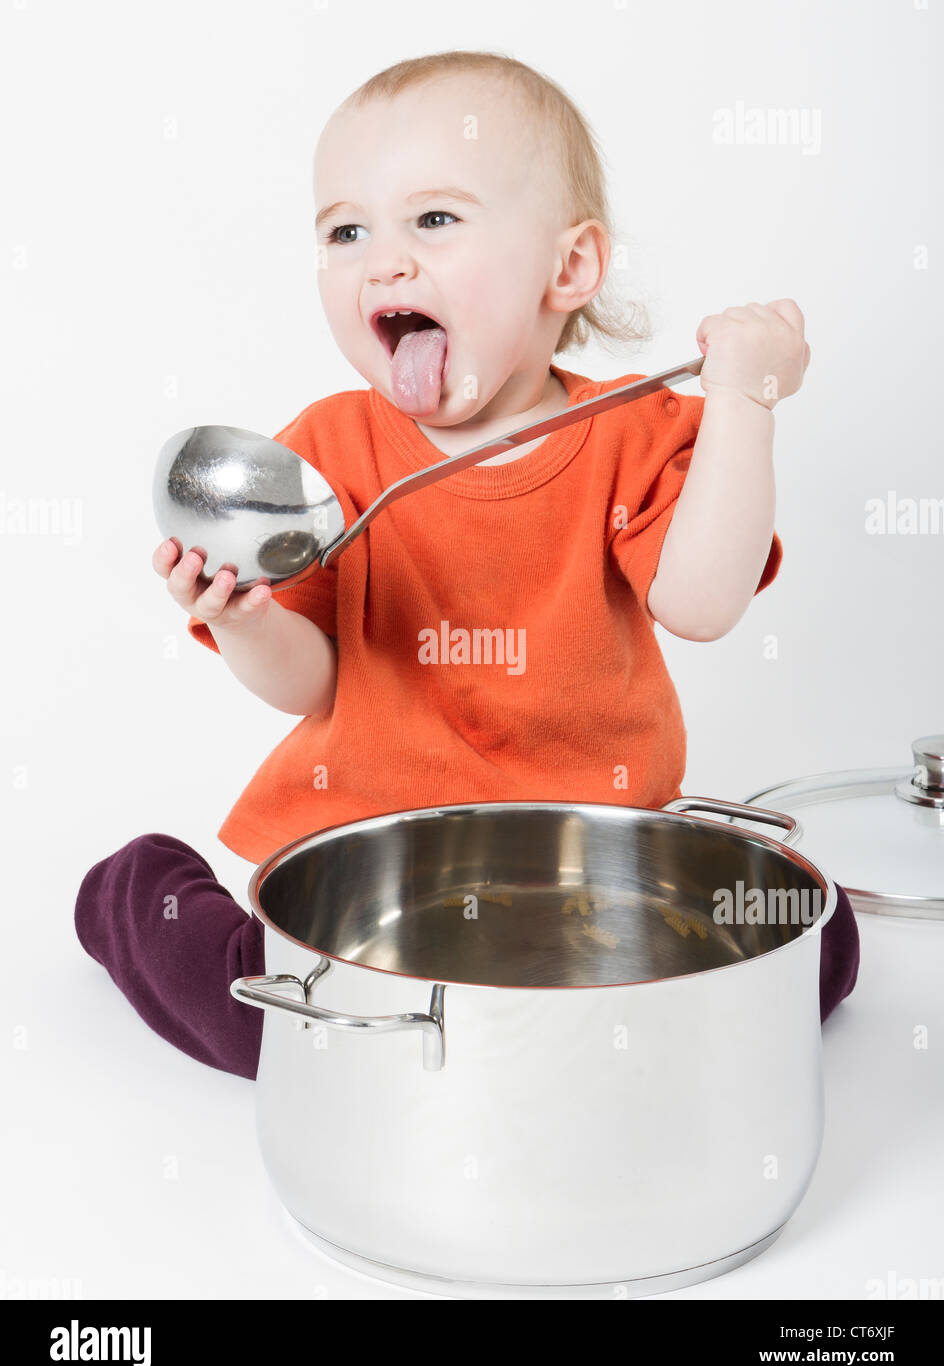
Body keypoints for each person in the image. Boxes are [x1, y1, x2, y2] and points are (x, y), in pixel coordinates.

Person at [74, 50, 859, 1081]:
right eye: (346, 230)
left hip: (579, 876)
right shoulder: (327, 449)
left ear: (568, 268)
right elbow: (308, 681)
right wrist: (242, 616)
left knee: (819, 947)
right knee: (274, 1033)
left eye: (433, 221)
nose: (382, 263)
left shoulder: (633, 431)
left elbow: (701, 601)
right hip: (368, 879)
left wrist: (743, 405)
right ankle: (143, 889)